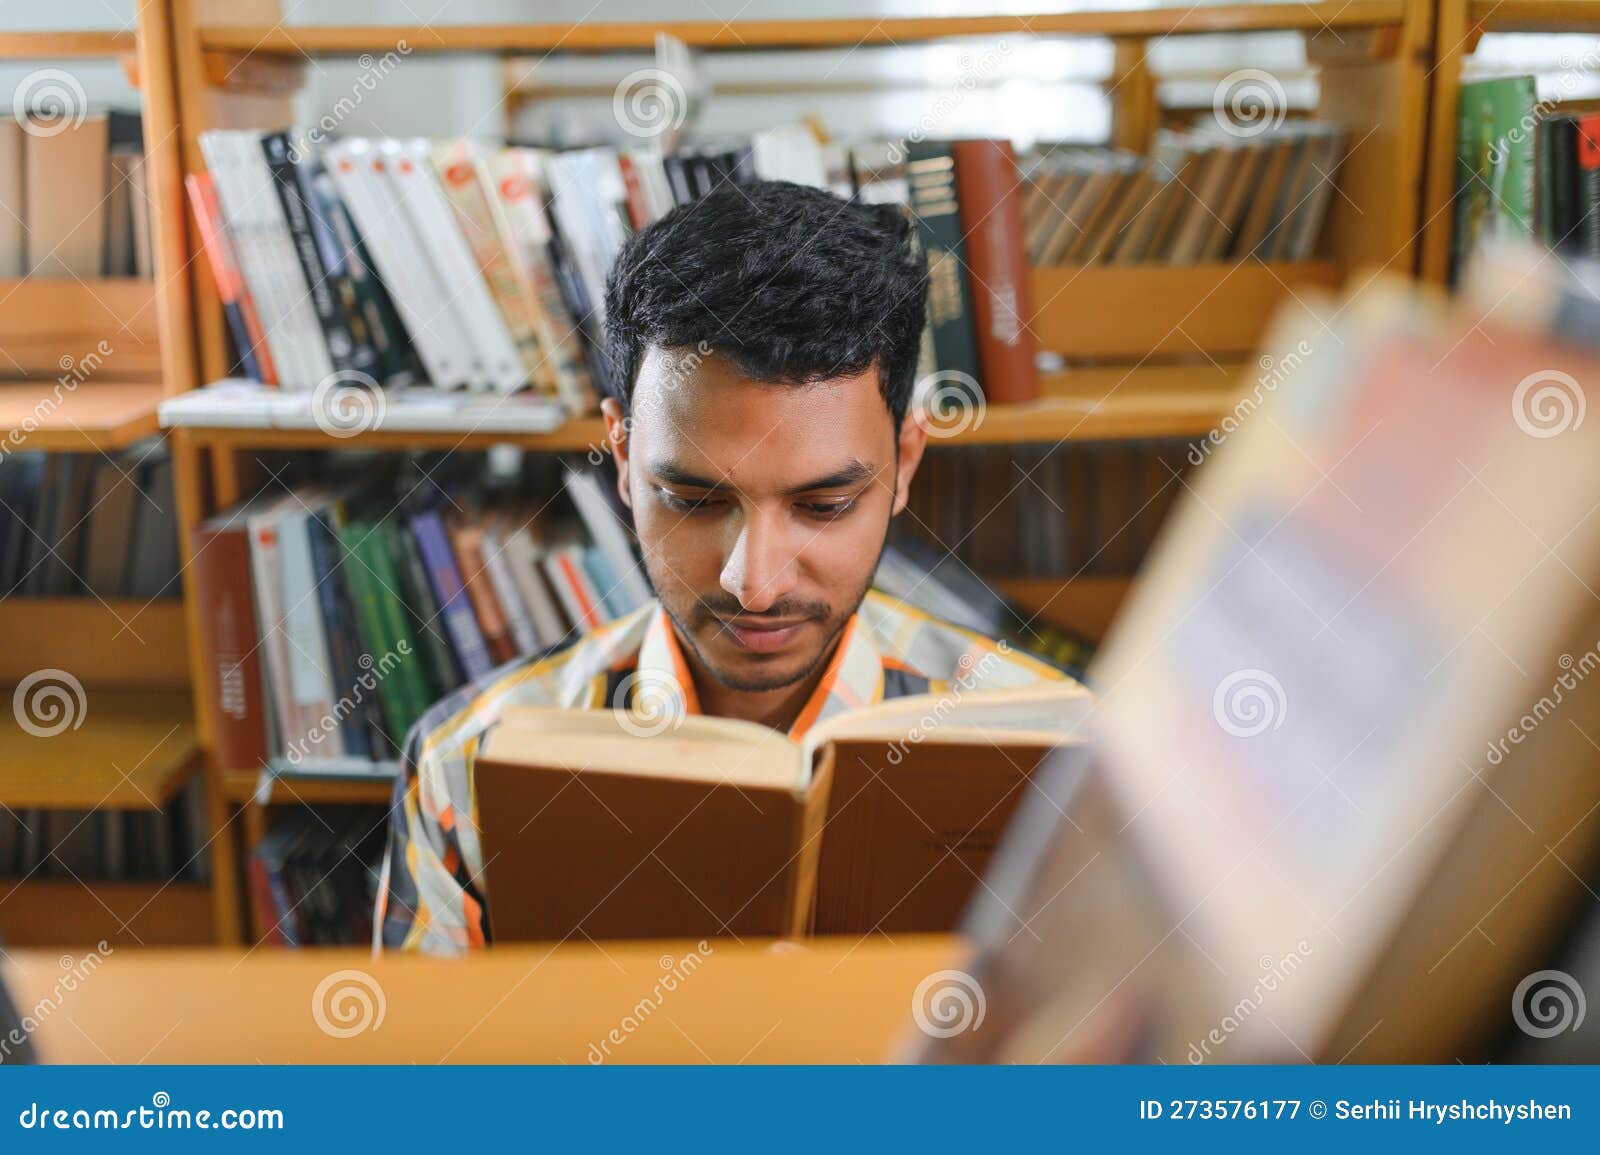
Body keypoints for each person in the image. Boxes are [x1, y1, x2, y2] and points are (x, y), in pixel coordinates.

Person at [376, 179, 1077, 953]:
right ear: (620, 454)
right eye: (692, 498)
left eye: (824, 505)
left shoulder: (1062, 759)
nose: (757, 583)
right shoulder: (465, 767)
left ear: (904, 463)